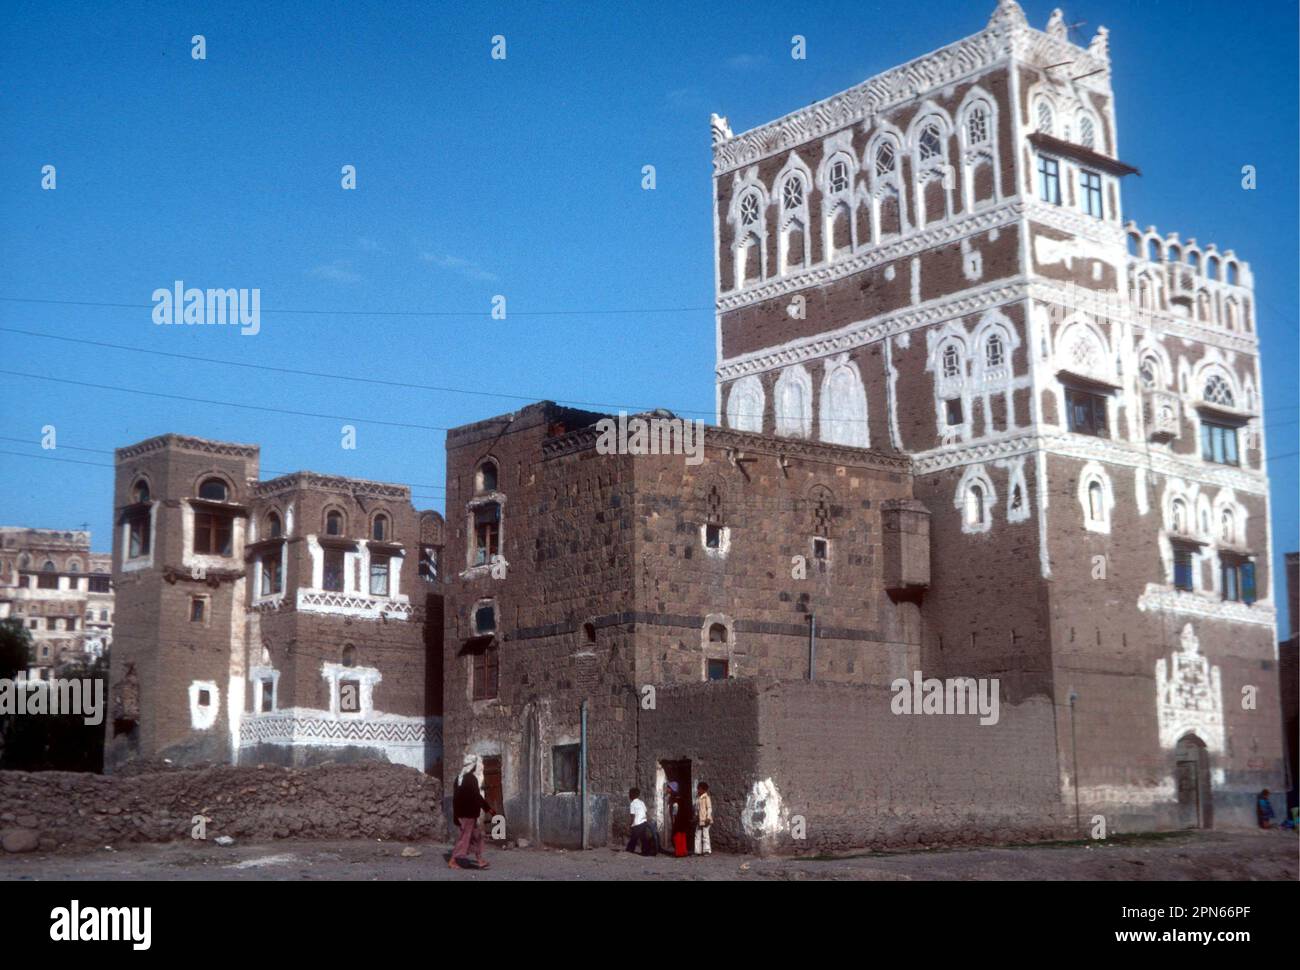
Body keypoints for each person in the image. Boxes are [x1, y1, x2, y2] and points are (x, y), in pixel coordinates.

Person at [450, 754, 496, 869]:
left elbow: (455, 799)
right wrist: (489, 809)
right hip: (468, 814)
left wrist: (456, 815)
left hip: (463, 814)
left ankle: (480, 859)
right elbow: (477, 797)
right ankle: (454, 860)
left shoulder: (459, 779)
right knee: (465, 837)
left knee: (476, 836)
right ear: (473, 766)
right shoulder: (471, 779)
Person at [626, 787, 654, 855]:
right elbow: (646, 812)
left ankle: (630, 850)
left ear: (631, 795)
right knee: (643, 838)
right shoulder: (641, 802)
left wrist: (630, 824)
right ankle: (646, 851)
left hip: (637, 823)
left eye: (629, 794)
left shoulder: (632, 804)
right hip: (643, 822)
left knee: (634, 838)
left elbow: (633, 815)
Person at [671, 781, 693, 857]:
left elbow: (675, 813)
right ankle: (683, 851)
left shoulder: (676, 802)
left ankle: (679, 852)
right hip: (683, 821)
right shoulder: (683, 800)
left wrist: (674, 821)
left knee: (677, 837)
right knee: (683, 836)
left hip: (678, 821)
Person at [694, 782, 713, 856]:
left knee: (705, 835)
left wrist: (708, 817)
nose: (698, 790)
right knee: (697, 834)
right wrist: (695, 816)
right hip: (699, 819)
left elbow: (709, 808)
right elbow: (696, 809)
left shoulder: (706, 798)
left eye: (699, 789)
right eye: (698, 789)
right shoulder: (698, 798)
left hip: (705, 820)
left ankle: (706, 850)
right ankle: (697, 851)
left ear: (704, 790)